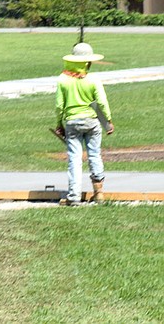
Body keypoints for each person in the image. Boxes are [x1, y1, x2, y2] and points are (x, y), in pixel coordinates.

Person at [55, 42, 114, 205]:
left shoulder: (62, 80)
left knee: (74, 158)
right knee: (94, 154)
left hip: (72, 122)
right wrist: (108, 121)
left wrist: (59, 124)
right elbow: (101, 102)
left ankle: (73, 197)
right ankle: (99, 193)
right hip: (92, 121)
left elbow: (59, 106)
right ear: (88, 62)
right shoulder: (94, 79)